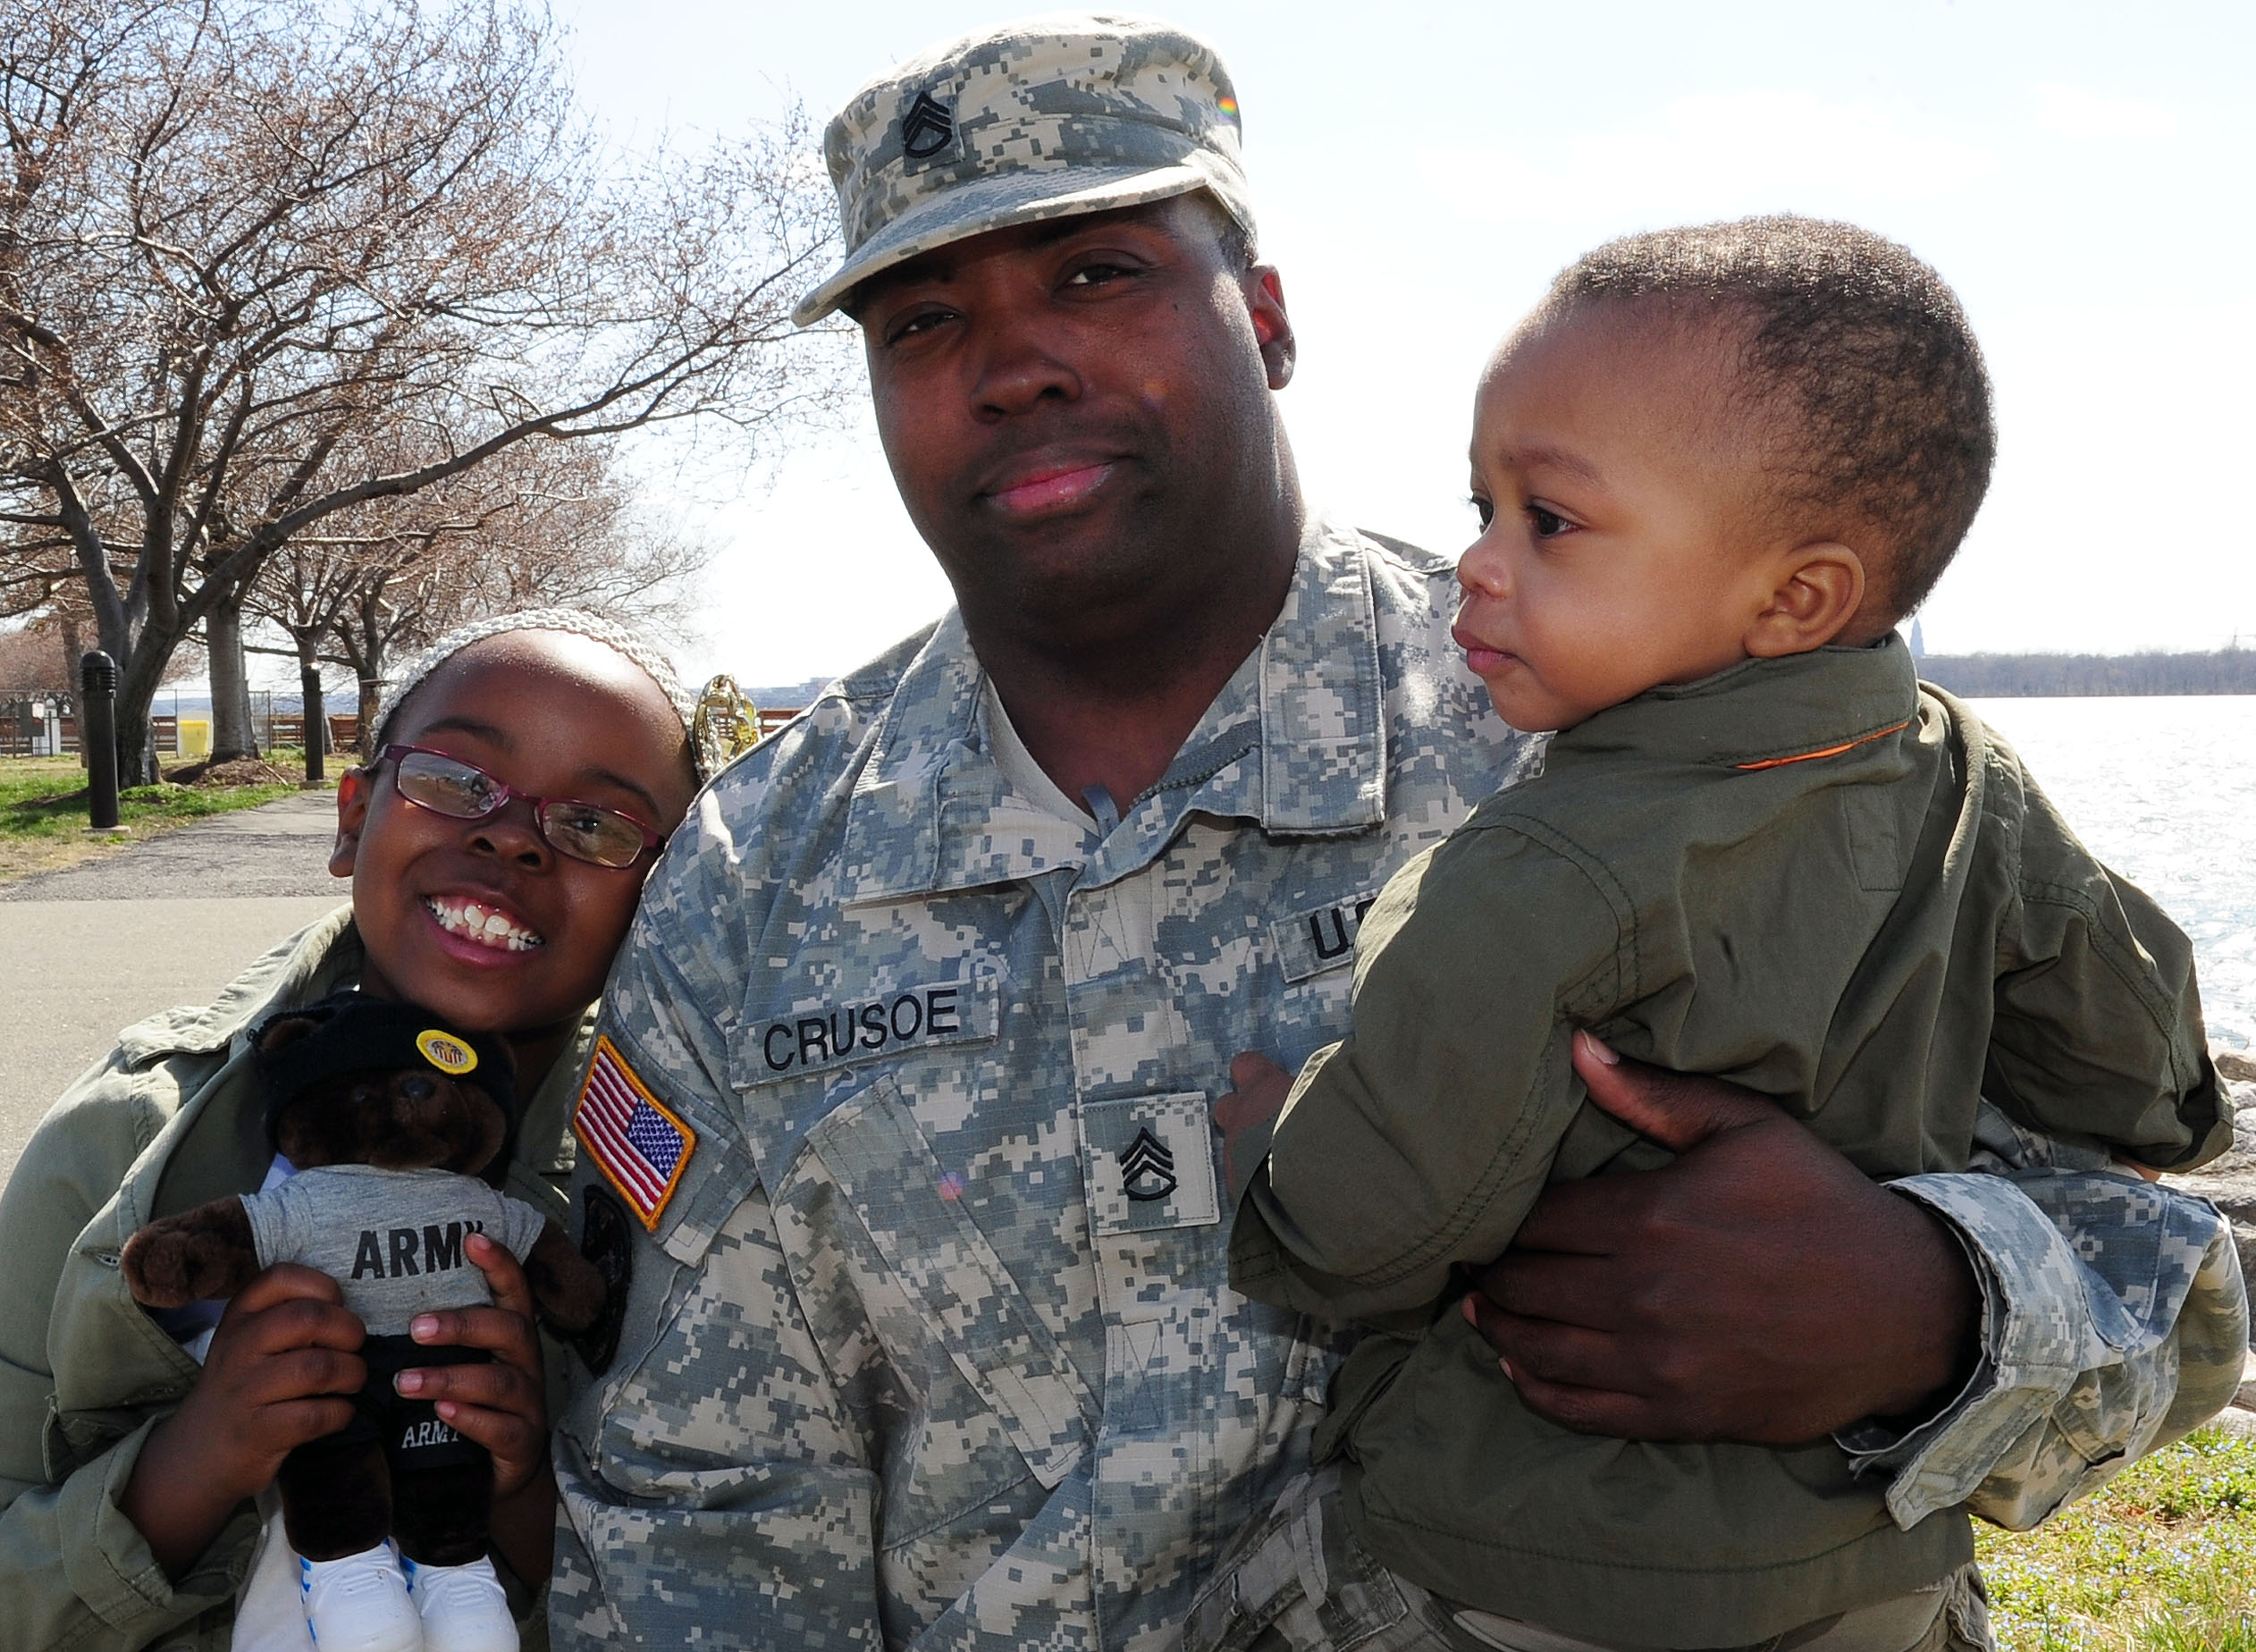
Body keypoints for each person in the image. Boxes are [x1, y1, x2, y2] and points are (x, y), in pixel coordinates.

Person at [548, 16, 2248, 1652]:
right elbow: (698, 1508)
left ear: (1265, 318)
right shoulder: (756, 870)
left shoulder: (1659, 727)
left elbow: (2179, 1248)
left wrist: (1933, 1310)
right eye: (916, 323)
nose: (1007, 365)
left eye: (1095, 274)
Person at [1196, 219, 2229, 1652]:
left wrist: (1269, 1141)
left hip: (1526, 1575)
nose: (1475, 566)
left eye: (1546, 522)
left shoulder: (1533, 870)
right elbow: (2148, 1085)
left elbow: (1362, 1238)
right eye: (1479, 507)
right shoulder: (1970, 780)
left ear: (1795, 594)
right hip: (1873, 1573)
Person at [0, 610, 703, 1652]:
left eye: (598, 826)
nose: (510, 835)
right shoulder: (127, 1139)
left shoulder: (699, 1186)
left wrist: (511, 1494)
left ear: (668, 899)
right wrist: (194, 1462)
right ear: (352, 815)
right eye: (458, 779)